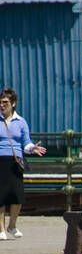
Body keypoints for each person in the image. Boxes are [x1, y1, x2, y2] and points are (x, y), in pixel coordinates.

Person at [0, 87, 46, 240]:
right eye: (0, 102)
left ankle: (12, 225)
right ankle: (1, 230)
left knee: (17, 196)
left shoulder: (21, 122)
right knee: (1, 197)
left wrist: (33, 148)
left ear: (13, 103)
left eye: (5, 102)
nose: (2, 105)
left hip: (15, 161)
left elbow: (26, 143)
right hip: (0, 159)